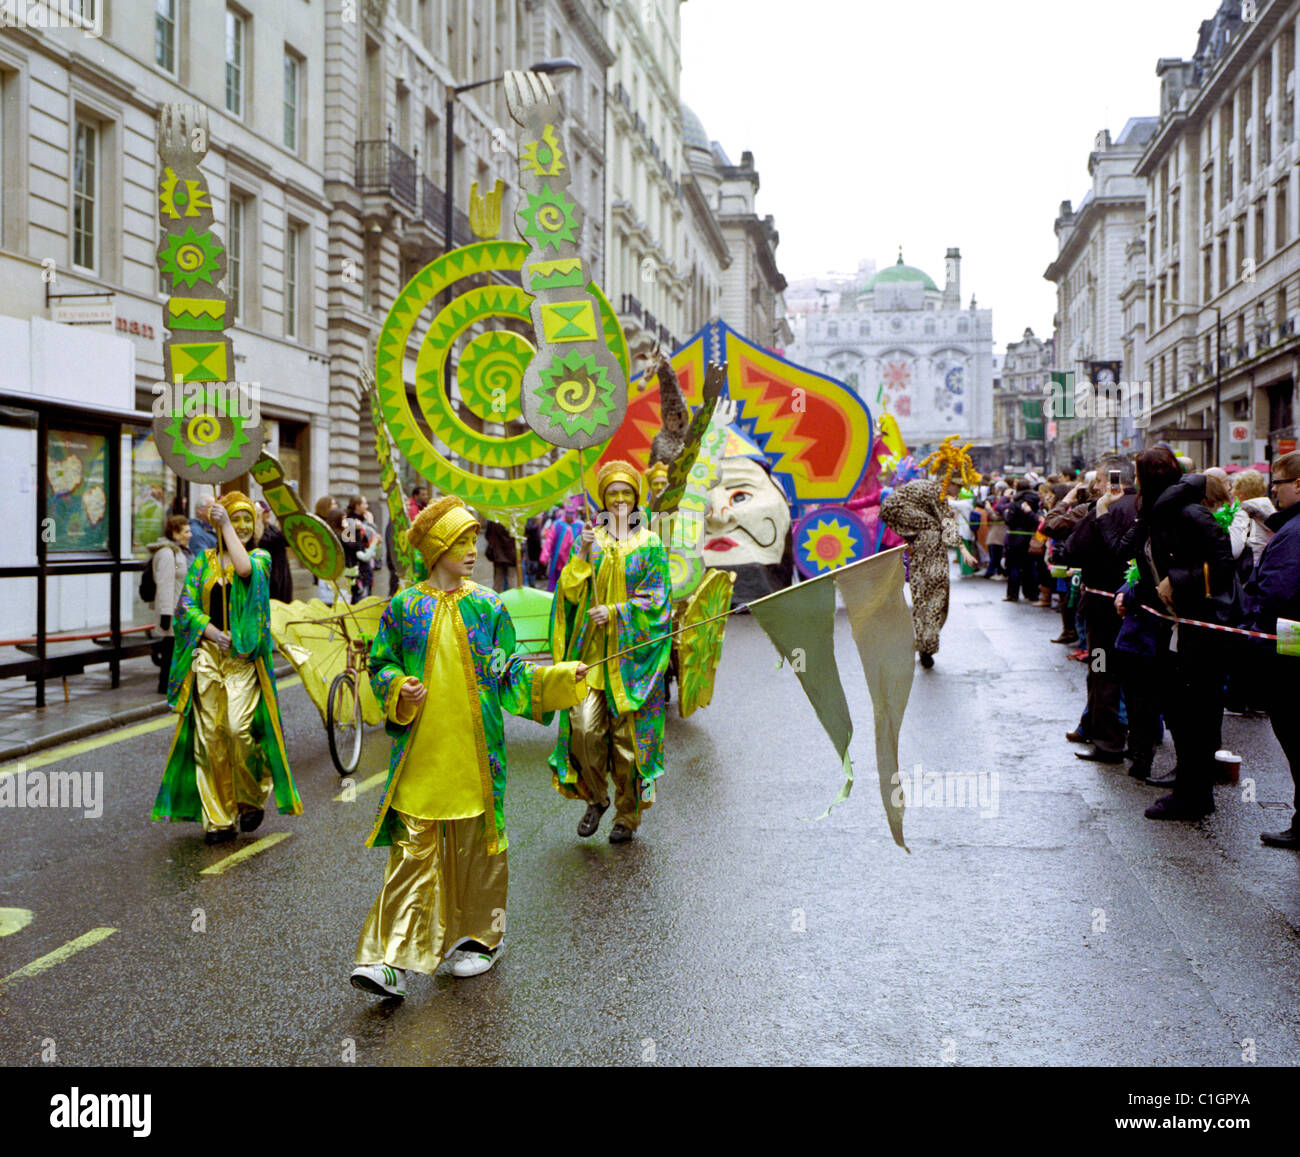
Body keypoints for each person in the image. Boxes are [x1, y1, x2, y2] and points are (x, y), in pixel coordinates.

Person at [349, 497, 587, 998]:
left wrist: (559, 680)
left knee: (479, 849)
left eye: (472, 541)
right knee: (412, 852)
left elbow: (510, 673)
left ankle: (480, 939)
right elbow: (381, 663)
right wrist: (397, 688)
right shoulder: (403, 607)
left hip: (477, 758)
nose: (472, 550)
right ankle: (388, 958)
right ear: (437, 549)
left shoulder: (488, 606)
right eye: (460, 542)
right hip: (421, 759)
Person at [151, 492, 302, 844]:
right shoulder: (202, 562)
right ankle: (218, 818)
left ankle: (249, 799)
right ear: (222, 522)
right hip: (207, 659)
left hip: (243, 662)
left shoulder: (259, 558)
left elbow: (245, 570)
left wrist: (225, 529)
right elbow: (185, 608)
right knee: (210, 741)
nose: (244, 526)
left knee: (238, 731)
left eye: (248, 519)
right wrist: (212, 632)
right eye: (236, 519)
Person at [548, 461, 672, 844]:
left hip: (634, 663)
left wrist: (616, 612)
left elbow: (659, 602)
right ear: (602, 498)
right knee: (583, 732)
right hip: (593, 660)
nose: (619, 500)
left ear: (636, 498)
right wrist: (583, 552)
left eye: (626, 493)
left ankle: (627, 816)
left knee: (628, 747)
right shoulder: (591, 539)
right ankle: (597, 798)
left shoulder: (649, 542)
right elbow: (568, 592)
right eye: (612, 493)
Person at [1114, 449, 1238, 821]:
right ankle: (1190, 791)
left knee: (1194, 717)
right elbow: (1132, 556)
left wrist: (1180, 579)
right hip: (1172, 629)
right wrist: (1132, 594)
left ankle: (1194, 796)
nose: (1133, 482)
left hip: (1201, 633)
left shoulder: (1190, 512)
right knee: (1180, 715)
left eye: (1137, 474)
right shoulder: (1157, 513)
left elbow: (1224, 564)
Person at [1059, 457, 1139, 769]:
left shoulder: (1105, 509)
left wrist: (1097, 513)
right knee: (1131, 676)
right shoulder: (1142, 506)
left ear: (1114, 481)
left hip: (1103, 611)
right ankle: (1126, 737)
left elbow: (1072, 549)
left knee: (1102, 671)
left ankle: (1108, 741)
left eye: (1100, 480)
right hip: (1133, 608)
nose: (1095, 487)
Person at [1243, 451, 1300, 848]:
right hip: (1289, 640)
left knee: (1295, 731)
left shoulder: (1295, 533)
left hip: (1290, 646)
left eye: (1276, 483)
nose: (1272, 491)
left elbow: (1277, 592)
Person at [879, 443, 978, 669]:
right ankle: (927, 644)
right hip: (931, 552)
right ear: (948, 482)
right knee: (936, 600)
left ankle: (924, 641)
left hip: (919, 556)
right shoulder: (937, 498)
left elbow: (888, 509)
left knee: (922, 600)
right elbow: (947, 525)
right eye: (956, 486)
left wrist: (909, 534)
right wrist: (963, 550)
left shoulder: (923, 490)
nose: (956, 492)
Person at [146, 514, 191, 694]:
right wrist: (166, 613)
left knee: (174, 648)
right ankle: (165, 686)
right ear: (175, 532)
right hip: (171, 609)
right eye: (186, 531)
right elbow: (165, 584)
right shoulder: (167, 553)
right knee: (170, 649)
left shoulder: (178, 551)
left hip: (179, 607)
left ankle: (172, 684)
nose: (190, 535)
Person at [255, 500, 294, 603]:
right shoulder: (257, 531)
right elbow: (264, 542)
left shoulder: (272, 528)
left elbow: (286, 541)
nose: (268, 514)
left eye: (268, 512)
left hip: (282, 571)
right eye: (264, 512)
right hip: (269, 575)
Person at [484, 519, 518, 592]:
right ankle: (512, 602)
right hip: (512, 555)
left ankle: (496, 601)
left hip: (498, 554)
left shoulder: (494, 519)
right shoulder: (514, 517)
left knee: (498, 581)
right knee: (512, 581)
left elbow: (487, 535)